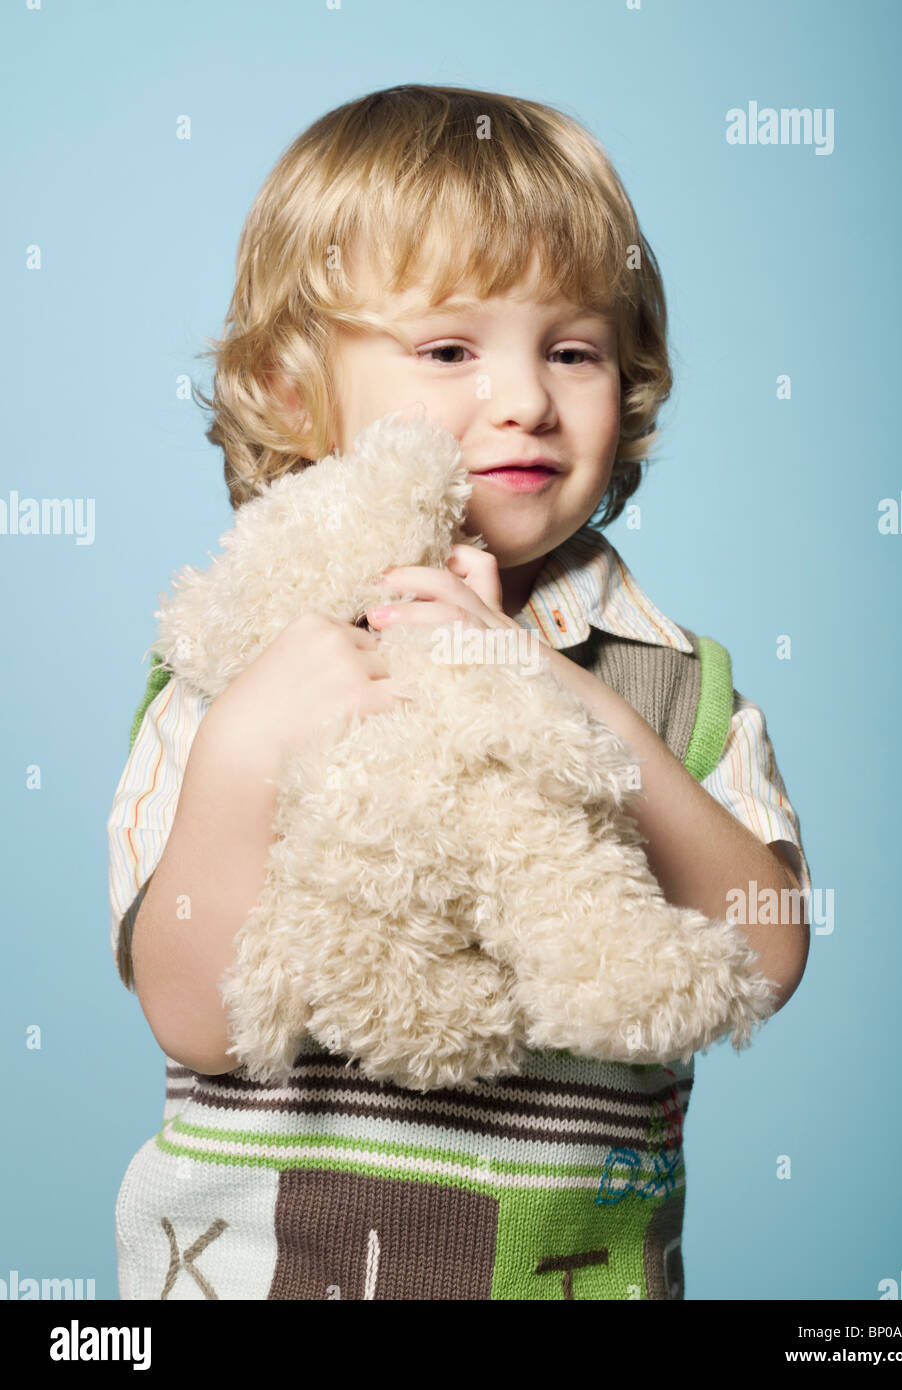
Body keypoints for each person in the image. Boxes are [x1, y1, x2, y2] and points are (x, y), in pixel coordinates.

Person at [107, 83, 811, 1301]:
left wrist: (563, 697)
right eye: (448, 350)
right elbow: (196, 1021)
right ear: (289, 387)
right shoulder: (233, 669)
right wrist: (241, 753)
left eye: (573, 349)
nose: (526, 399)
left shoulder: (671, 680)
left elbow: (763, 949)